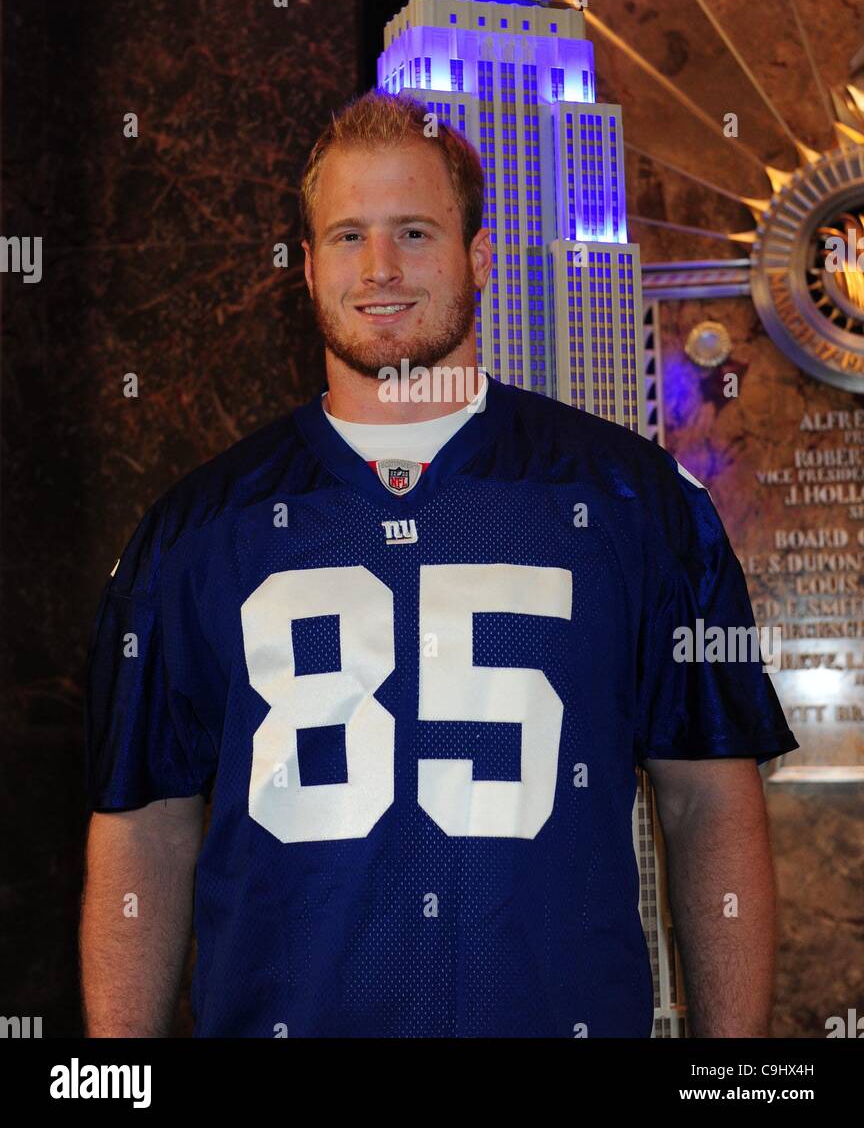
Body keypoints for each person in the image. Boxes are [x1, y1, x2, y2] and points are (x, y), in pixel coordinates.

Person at [80, 88, 799, 1038]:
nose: (380, 267)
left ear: (480, 256)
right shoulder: (198, 530)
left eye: (415, 232)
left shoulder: (638, 505)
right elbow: (143, 830)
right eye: (348, 235)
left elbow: (708, 803)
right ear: (304, 268)